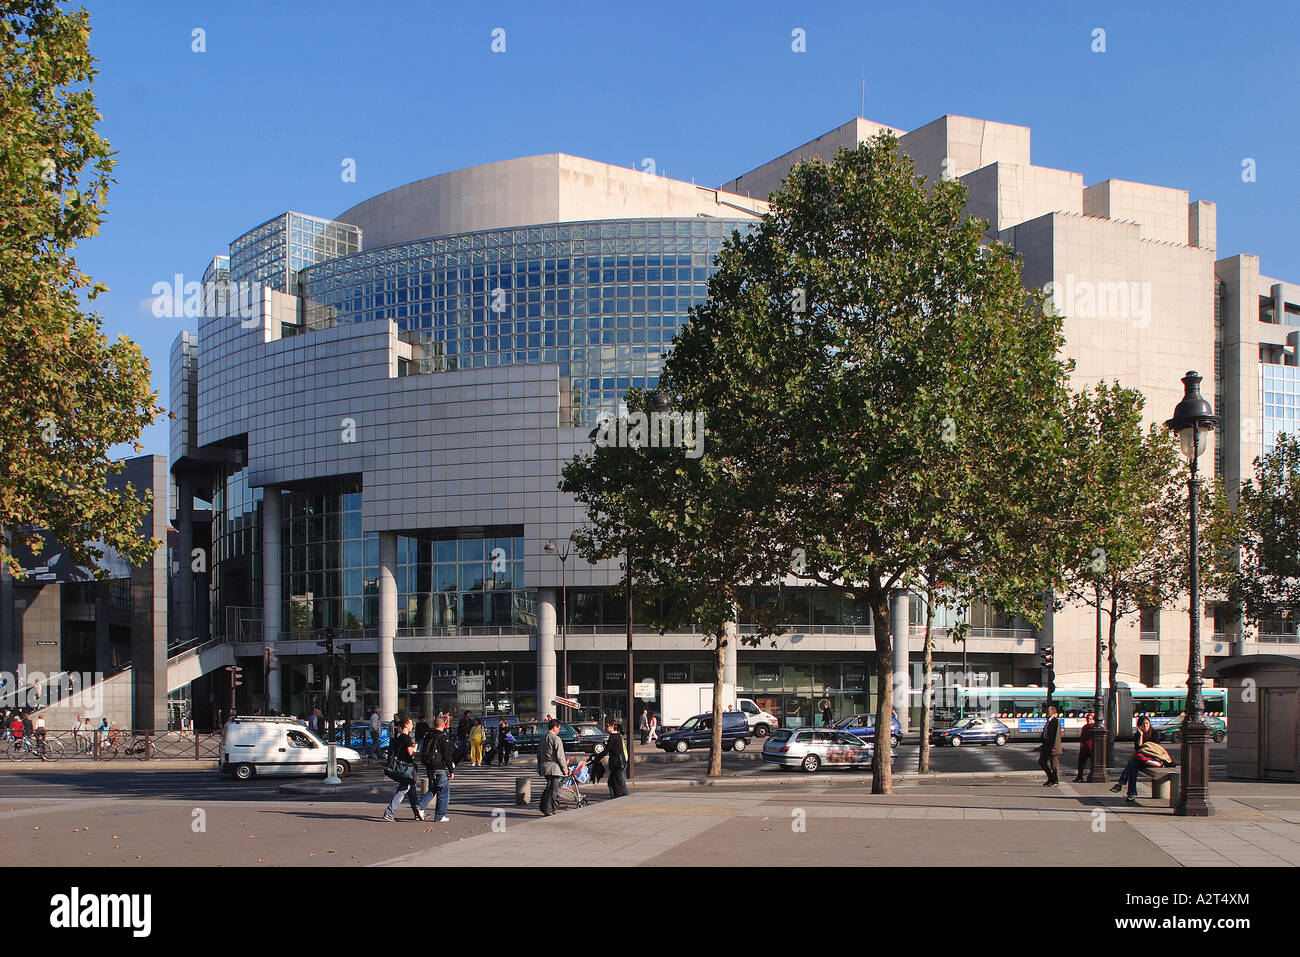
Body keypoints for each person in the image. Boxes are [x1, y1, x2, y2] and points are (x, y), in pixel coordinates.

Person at [383, 716, 423, 822]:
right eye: (411, 724)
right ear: (406, 725)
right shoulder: (406, 738)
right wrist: (422, 753)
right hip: (406, 768)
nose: (412, 726)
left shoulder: (399, 737)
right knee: (403, 789)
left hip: (400, 766)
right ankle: (389, 812)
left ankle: (418, 813)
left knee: (412, 790)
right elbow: (410, 752)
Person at [417, 714, 455, 822]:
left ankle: (420, 807)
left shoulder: (428, 735)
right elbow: (447, 755)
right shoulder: (442, 737)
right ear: (443, 726)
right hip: (440, 767)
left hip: (429, 766)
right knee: (443, 791)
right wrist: (451, 770)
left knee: (433, 788)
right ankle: (440, 815)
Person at [1111, 716, 1153, 802]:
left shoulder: (1155, 734)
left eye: (1147, 723)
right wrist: (1141, 735)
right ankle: (1131, 794)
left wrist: (1141, 751)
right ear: (1139, 726)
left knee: (1132, 763)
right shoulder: (1137, 735)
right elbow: (1138, 749)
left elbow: (1151, 749)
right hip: (1140, 760)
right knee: (1132, 768)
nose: (1145, 726)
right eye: (1143, 724)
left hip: (1151, 759)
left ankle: (1121, 784)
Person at [537, 718, 568, 816]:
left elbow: (539, 754)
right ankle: (548, 809)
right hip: (554, 767)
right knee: (553, 789)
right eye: (558, 728)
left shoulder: (542, 738)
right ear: (555, 727)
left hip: (545, 766)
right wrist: (565, 768)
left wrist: (539, 767)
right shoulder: (556, 739)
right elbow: (560, 755)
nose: (559, 730)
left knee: (549, 786)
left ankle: (543, 806)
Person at [1038, 703, 1062, 786]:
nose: (1046, 712)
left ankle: (1056, 780)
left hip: (1053, 746)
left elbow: (1056, 735)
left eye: (1048, 711)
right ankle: (1051, 777)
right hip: (1046, 745)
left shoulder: (1055, 721)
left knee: (1054, 764)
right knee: (1042, 761)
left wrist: (1054, 747)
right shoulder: (1048, 721)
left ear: (1052, 712)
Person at [605, 718, 628, 798]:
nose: (606, 728)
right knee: (615, 780)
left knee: (619, 780)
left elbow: (607, 750)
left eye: (607, 726)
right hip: (621, 762)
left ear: (611, 727)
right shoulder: (618, 736)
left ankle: (623, 795)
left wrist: (597, 758)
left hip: (617, 763)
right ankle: (616, 796)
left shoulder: (613, 737)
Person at [1074, 712, 1097, 782]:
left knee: (1092, 762)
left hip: (1089, 747)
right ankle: (1079, 776)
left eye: (1090, 718)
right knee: (1081, 763)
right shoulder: (1085, 726)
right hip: (1084, 747)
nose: (1088, 720)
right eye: (1087, 718)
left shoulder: (1092, 726)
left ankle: (1082, 776)